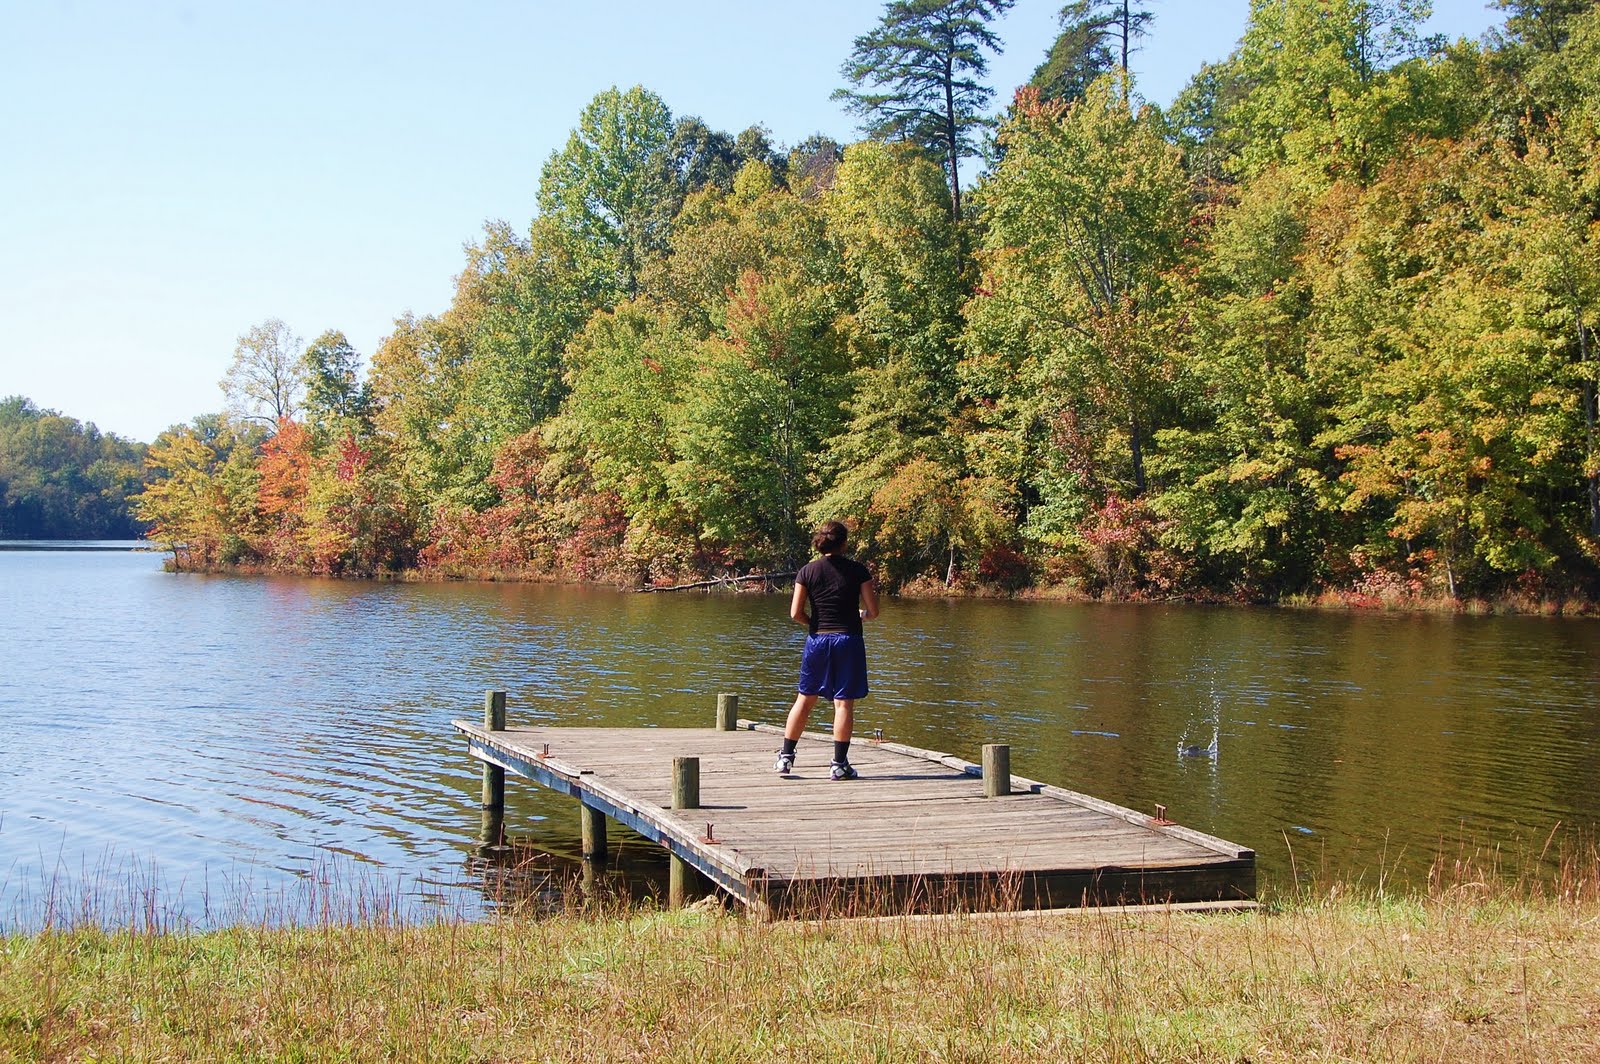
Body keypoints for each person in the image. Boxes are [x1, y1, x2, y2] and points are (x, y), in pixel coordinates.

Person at [775, 520, 879, 780]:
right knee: (843, 703)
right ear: (844, 543)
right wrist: (861, 615)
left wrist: (815, 624)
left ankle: (785, 758)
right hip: (848, 639)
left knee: (805, 698)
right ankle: (839, 765)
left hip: (818, 640)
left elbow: (795, 613)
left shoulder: (807, 571)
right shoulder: (858, 571)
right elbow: (874, 611)